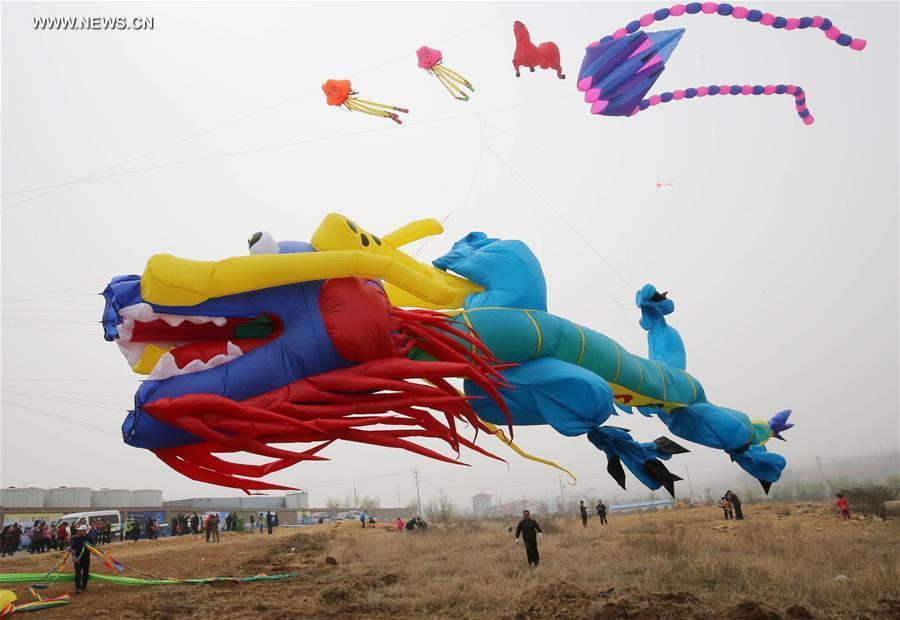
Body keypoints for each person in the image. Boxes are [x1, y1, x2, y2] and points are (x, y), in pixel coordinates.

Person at [71, 524, 92, 594]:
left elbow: (93, 547)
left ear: (85, 531)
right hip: (78, 559)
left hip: (86, 559)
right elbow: (72, 548)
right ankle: (78, 588)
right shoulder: (76, 538)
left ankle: (84, 587)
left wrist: (88, 545)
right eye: (78, 530)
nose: (78, 531)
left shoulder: (89, 538)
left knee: (85, 573)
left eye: (80, 530)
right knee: (78, 574)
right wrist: (74, 558)